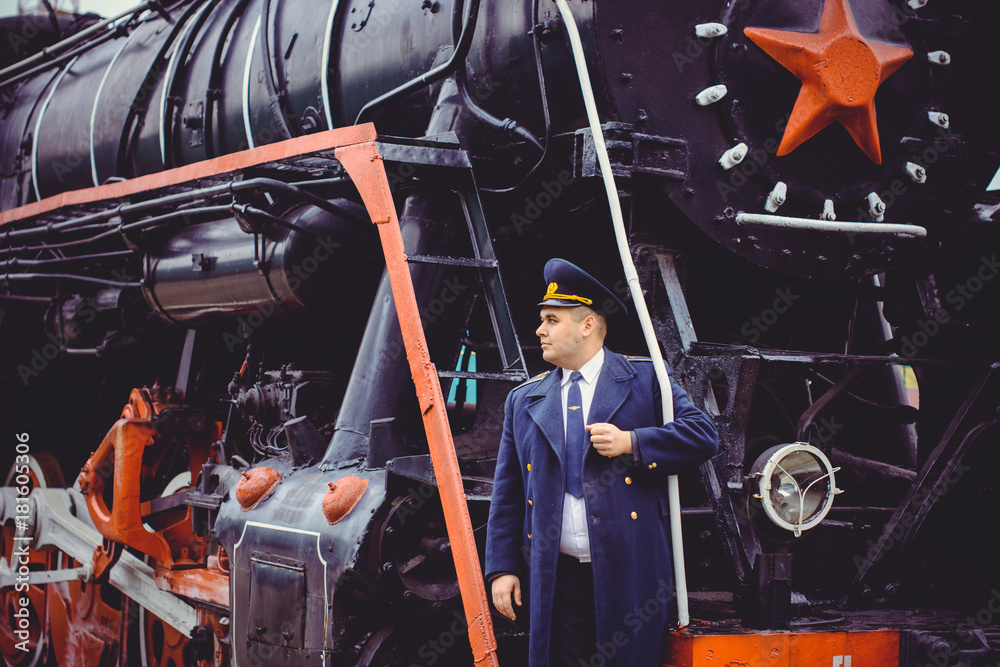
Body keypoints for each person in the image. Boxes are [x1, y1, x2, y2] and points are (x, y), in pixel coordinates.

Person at [485, 258, 719, 667]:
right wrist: (501, 568)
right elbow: (508, 493)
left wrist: (633, 442)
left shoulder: (647, 380)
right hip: (556, 576)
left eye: (552, 320)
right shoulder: (523, 400)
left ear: (587, 325)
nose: (540, 330)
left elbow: (703, 436)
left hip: (629, 569)